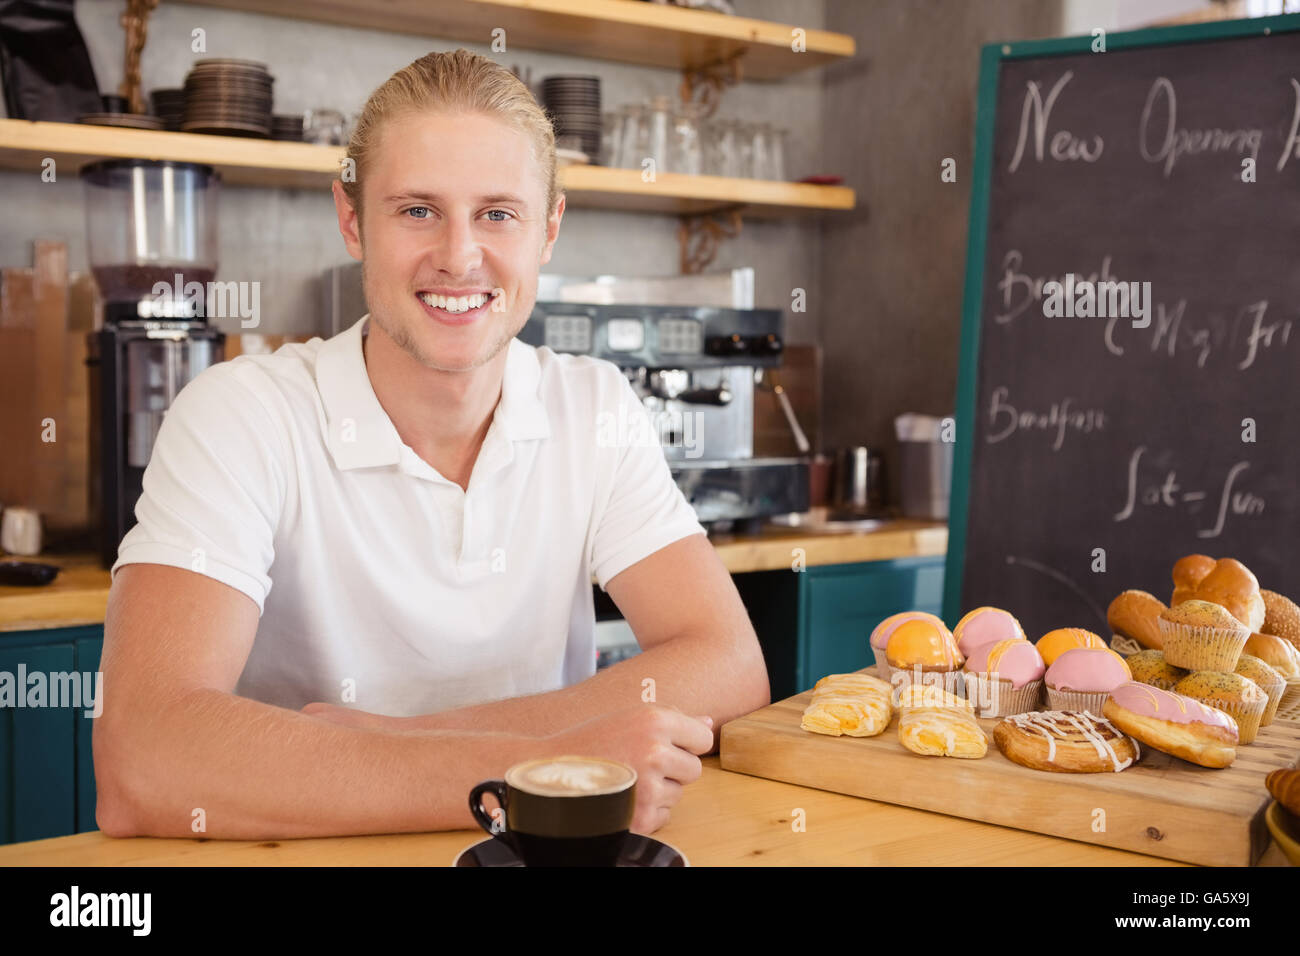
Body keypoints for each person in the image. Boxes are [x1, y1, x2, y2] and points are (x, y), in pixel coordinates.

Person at [93, 49, 770, 841]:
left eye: (498, 213)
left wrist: (406, 738)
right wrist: (523, 771)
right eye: (417, 209)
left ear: (547, 229)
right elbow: (143, 759)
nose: (458, 254)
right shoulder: (239, 416)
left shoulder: (592, 405)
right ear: (352, 219)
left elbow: (728, 663)